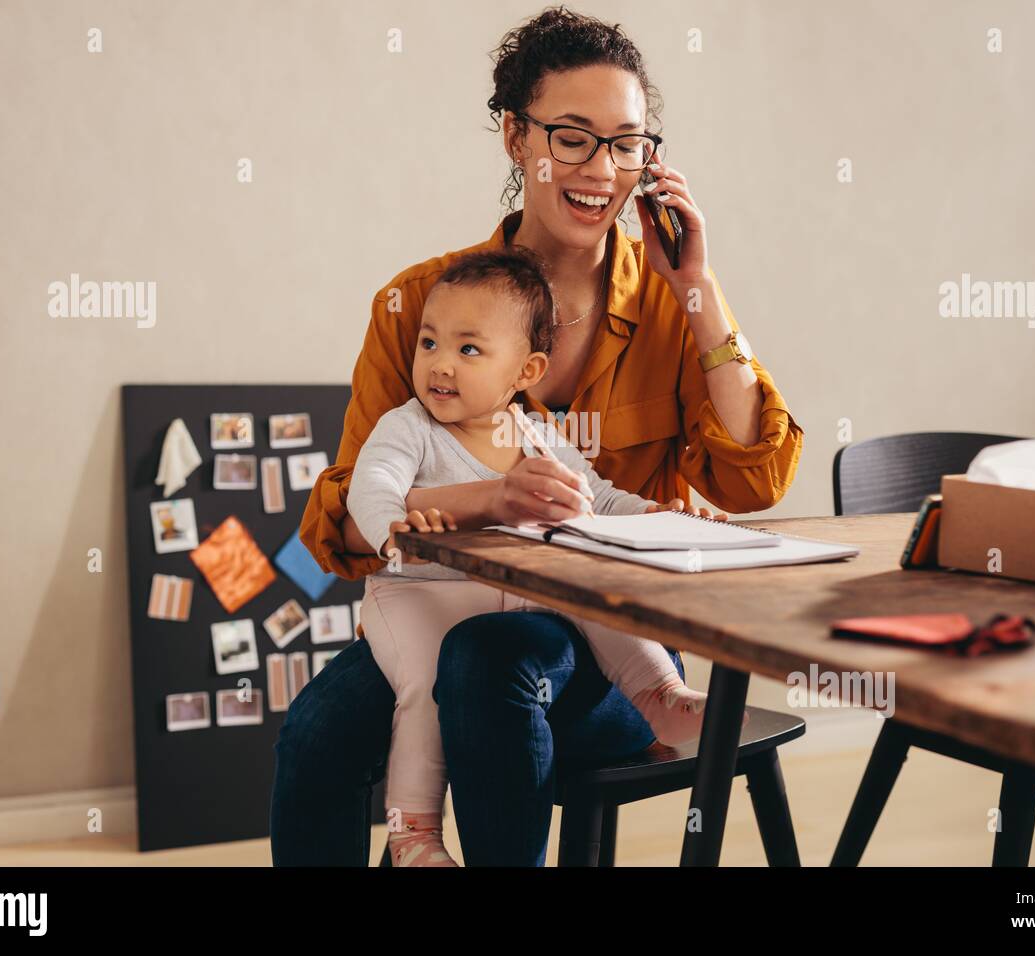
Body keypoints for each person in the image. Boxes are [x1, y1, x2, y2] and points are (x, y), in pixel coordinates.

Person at [271, 6, 802, 867]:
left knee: (490, 669)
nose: (602, 170)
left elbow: (756, 478)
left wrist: (699, 288)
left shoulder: (677, 305)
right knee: (315, 734)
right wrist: (469, 506)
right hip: (445, 616)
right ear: (517, 138)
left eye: (627, 144)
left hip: (607, 644)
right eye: (574, 137)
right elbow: (337, 522)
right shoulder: (419, 307)